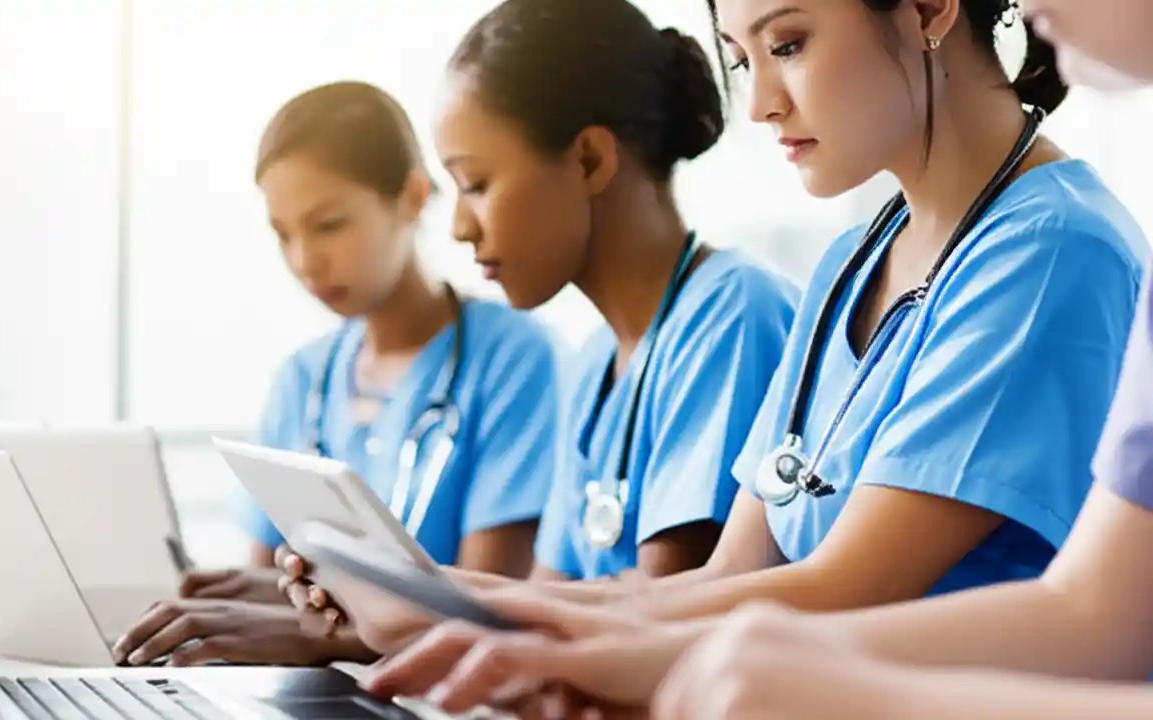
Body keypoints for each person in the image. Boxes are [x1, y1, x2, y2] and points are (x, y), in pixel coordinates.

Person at [355, 0, 1150, 713]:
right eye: (742, 61)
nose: (761, 103)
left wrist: (549, 637)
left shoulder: (1051, 249)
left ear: (928, 8)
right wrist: (464, 605)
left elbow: (848, 587)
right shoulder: (851, 263)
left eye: (789, 44)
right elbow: (731, 574)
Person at [278, 0, 800, 643]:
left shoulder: (732, 313)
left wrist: (412, 595)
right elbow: (546, 602)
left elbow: (661, 610)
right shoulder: (594, 363)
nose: (460, 227)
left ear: (589, 160)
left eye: (476, 184)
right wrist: (380, 595)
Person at [111, 81, 559, 668]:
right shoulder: (302, 378)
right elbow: (263, 583)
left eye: (328, 225)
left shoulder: (513, 358)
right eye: (283, 234)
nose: (305, 261)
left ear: (413, 197)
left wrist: (316, 639)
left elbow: (487, 608)